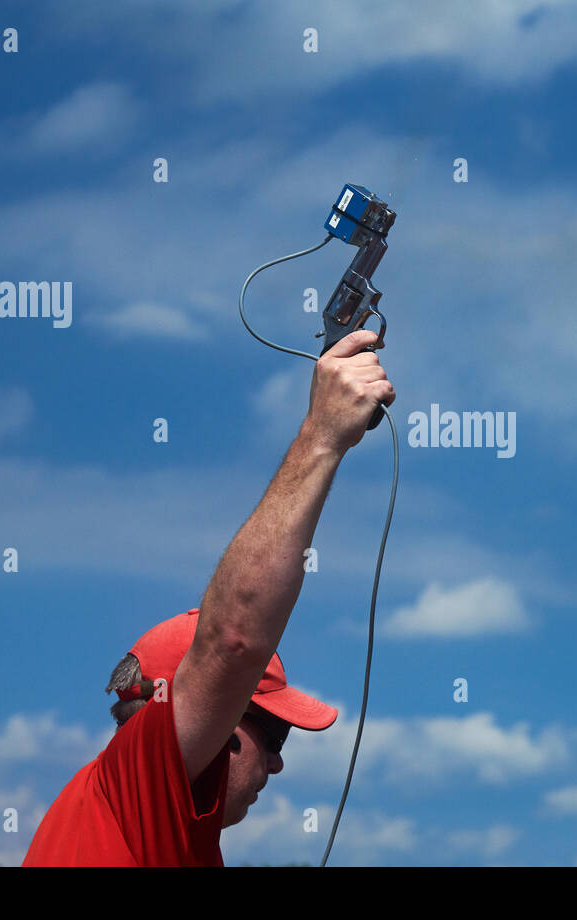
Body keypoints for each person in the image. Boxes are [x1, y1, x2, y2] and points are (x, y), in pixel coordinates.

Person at [22, 330, 395, 866]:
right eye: (274, 734)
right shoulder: (136, 786)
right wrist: (322, 436)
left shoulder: (158, 831)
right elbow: (233, 644)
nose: (276, 764)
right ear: (212, 716)